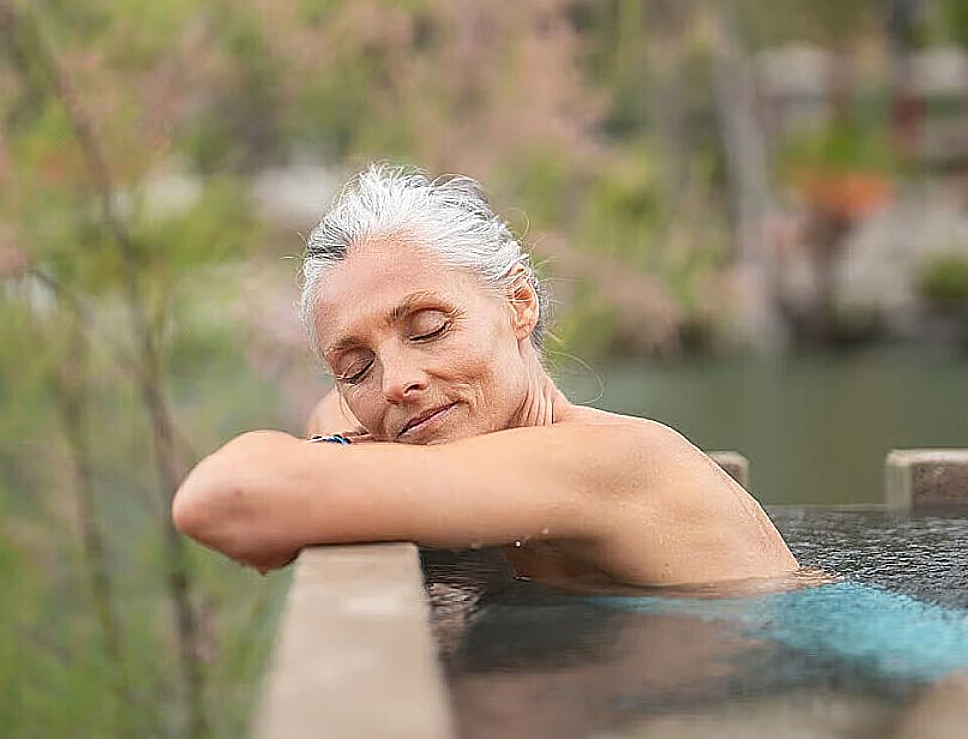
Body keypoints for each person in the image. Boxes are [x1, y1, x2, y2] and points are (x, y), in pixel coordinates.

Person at [171, 164, 799, 588]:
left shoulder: (616, 462)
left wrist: (344, 458)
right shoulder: (480, 452)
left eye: (428, 327)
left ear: (518, 303)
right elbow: (330, 421)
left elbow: (225, 499)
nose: (395, 382)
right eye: (356, 366)